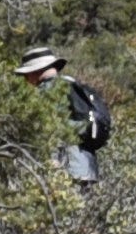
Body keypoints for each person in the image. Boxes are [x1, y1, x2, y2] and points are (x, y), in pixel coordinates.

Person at [17, 46, 110, 184]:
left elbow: (47, 129)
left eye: (26, 74)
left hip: (64, 168)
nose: (25, 79)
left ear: (36, 71)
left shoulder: (47, 90)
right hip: (86, 168)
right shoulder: (72, 84)